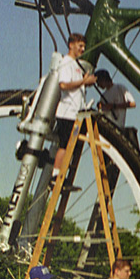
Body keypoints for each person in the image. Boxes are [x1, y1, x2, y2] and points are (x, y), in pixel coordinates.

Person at [53, 32, 96, 180]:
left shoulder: (76, 64)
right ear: (71, 45)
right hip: (66, 111)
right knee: (64, 145)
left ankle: (63, 174)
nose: (83, 49)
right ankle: (55, 176)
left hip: (76, 111)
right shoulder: (66, 62)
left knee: (71, 146)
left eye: (84, 46)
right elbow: (64, 85)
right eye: (80, 46)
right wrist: (84, 82)